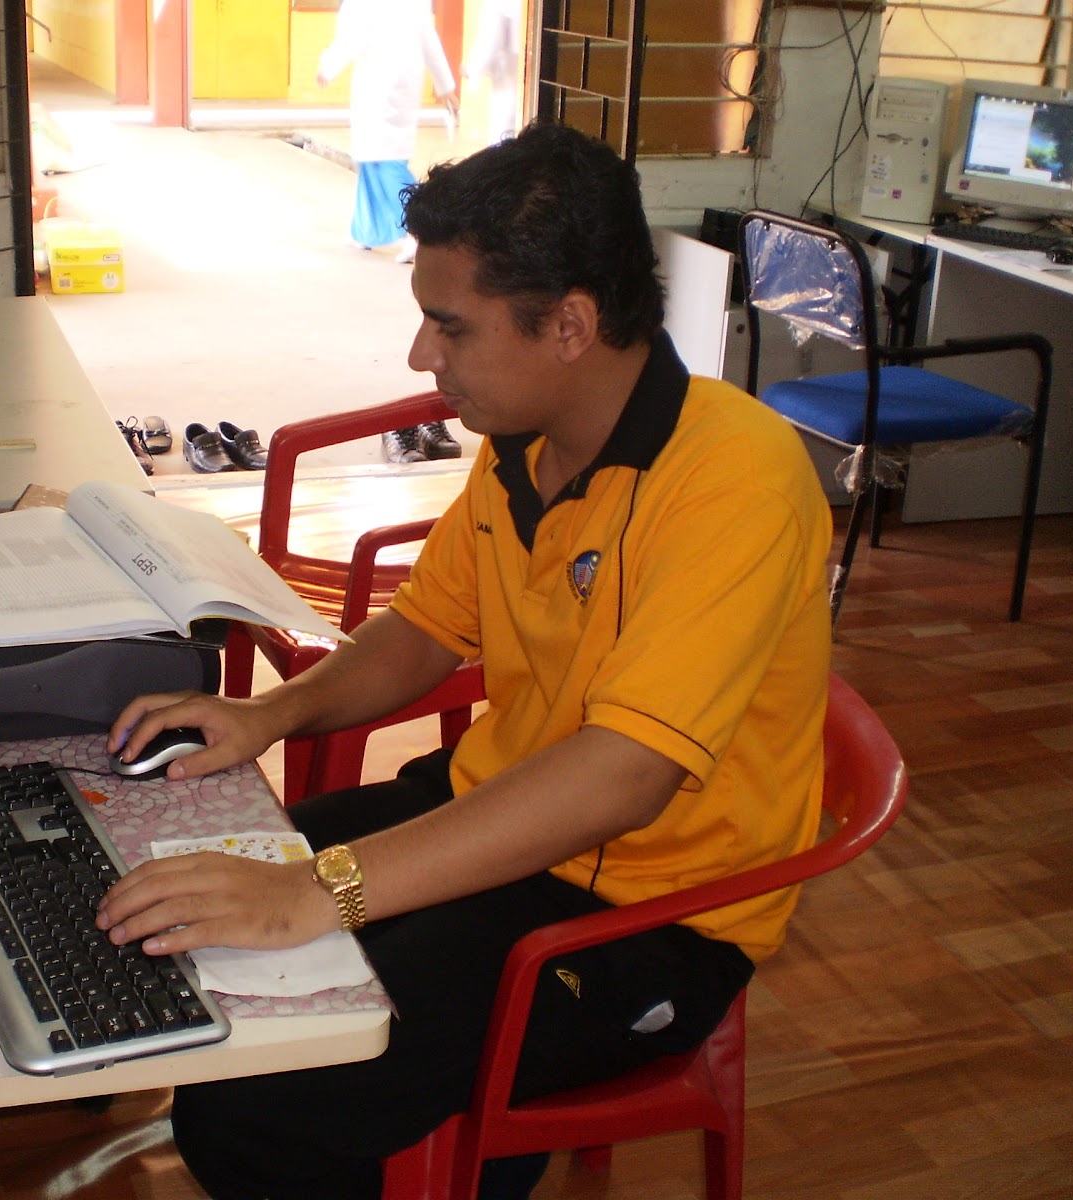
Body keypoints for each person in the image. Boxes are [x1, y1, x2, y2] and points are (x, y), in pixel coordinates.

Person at [96, 121, 834, 1200]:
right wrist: (275, 716)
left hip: (651, 917)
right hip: (503, 817)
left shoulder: (736, 480)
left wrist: (323, 892)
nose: (420, 359)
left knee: (258, 1103)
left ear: (570, 325)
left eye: (449, 326)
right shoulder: (520, 450)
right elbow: (424, 631)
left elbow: (623, 777)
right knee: (173, 905)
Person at [317, 0, 458, 262]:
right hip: (405, 83)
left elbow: (352, 37)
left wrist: (329, 66)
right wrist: (445, 85)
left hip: (377, 82)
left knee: (384, 160)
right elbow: (429, 37)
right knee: (375, 157)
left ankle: (418, 232)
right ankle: (364, 231)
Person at [463, 0, 523, 144]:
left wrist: (471, 68)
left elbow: (489, 42)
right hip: (524, 72)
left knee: (504, 136)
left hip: (508, 77)